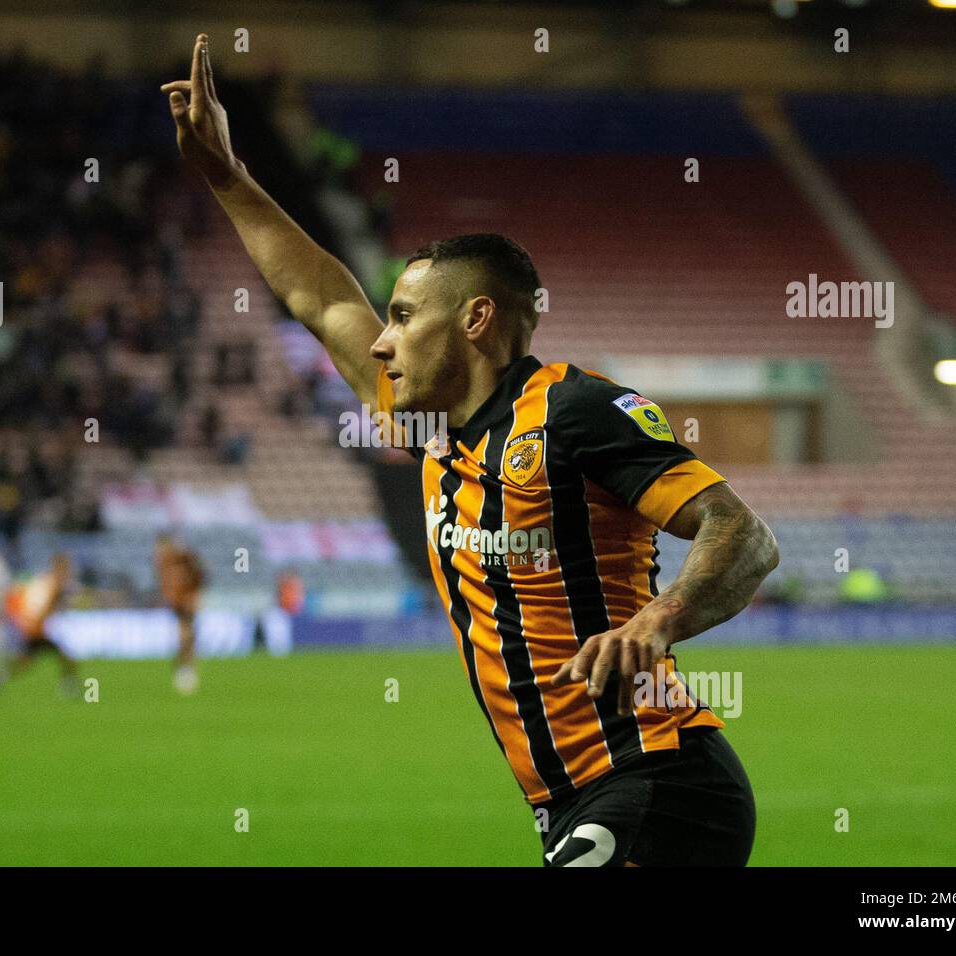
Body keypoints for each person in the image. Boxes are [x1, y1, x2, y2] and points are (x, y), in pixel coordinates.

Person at [161, 34, 779, 866]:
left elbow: (744, 534)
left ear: (477, 320)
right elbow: (315, 295)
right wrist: (224, 176)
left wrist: (659, 622)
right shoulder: (428, 427)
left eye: (406, 316)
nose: (383, 342)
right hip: (569, 798)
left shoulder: (575, 411)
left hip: (660, 781)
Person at [0, 552, 79, 697]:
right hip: (36, 631)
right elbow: (46, 605)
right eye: (65, 566)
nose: (68, 569)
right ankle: (69, 688)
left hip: (34, 629)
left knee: (25, 663)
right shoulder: (54, 583)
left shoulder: (47, 580)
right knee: (66, 659)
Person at [155, 535, 205, 694]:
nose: (158, 552)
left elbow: (199, 573)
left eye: (160, 548)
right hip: (177, 603)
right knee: (186, 636)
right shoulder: (163, 563)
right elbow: (166, 585)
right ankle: (186, 668)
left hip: (187, 600)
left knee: (186, 635)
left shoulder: (182, 558)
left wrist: (195, 594)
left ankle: (186, 668)